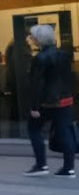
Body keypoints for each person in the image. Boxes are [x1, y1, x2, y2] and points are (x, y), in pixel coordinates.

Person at [25, 23, 76, 177]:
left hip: (47, 101)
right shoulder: (65, 55)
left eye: (33, 37)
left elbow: (36, 85)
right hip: (65, 99)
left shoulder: (39, 58)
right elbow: (70, 77)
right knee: (65, 131)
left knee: (33, 129)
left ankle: (41, 165)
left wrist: (34, 107)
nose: (31, 39)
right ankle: (69, 168)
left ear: (39, 39)